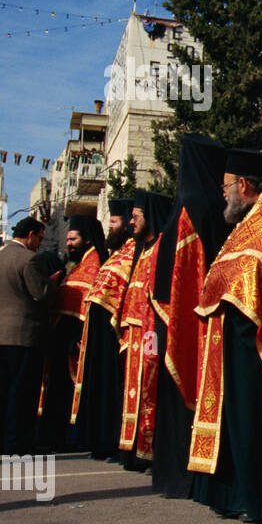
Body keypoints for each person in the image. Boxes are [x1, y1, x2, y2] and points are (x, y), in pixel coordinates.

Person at [188, 150, 262, 524]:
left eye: (226, 186)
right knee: (236, 419)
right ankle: (235, 495)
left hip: (259, 343)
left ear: (243, 185)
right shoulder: (250, 221)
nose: (223, 194)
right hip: (234, 339)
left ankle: (259, 500)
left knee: (253, 420)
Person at [151, 135, 231, 499]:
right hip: (199, 321)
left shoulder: (178, 206)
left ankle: (173, 476)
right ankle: (196, 476)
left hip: (172, 320)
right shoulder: (203, 205)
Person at [70, 199, 137, 459]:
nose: (111, 226)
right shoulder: (117, 254)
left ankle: (109, 440)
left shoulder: (132, 253)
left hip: (113, 334)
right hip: (98, 334)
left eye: (114, 221)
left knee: (112, 387)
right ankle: (97, 438)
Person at [0, 217, 57, 454]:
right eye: (39, 237)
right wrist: (53, 282)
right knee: (22, 391)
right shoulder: (29, 259)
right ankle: (17, 443)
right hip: (25, 334)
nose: (39, 243)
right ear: (31, 235)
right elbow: (40, 293)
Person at [37, 216, 107, 451]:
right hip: (64, 342)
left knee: (68, 392)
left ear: (87, 239)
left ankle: (67, 437)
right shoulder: (77, 266)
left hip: (76, 344)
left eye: (73, 239)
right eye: (67, 239)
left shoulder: (94, 264)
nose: (68, 244)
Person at [117, 191, 172, 468]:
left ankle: (148, 451)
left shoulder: (161, 246)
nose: (131, 223)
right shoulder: (142, 250)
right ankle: (133, 450)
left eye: (136, 217)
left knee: (152, 393)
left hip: (153, 334)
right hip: (136, 335)